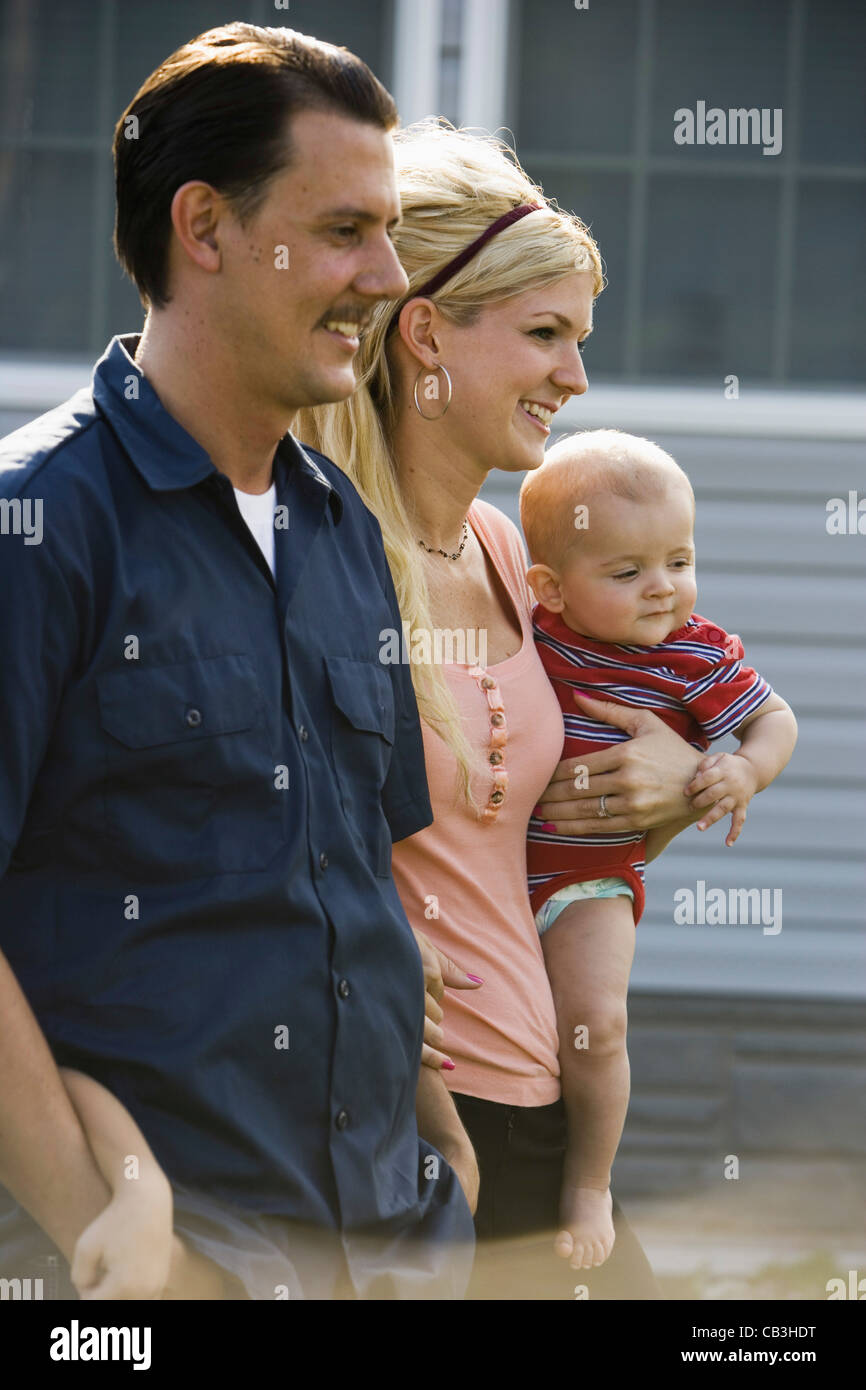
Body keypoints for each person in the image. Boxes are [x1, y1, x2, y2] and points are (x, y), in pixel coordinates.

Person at [0, 23, 478, 1301]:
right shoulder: (38, 526)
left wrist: (441, 1164)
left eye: (387, 233)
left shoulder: (340, 531)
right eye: (341, 233)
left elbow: (357, 886)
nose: (386, 277)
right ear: (202, 228)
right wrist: (103, 1239)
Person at [298, 120, 717, 1299]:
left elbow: (559, 816)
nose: (575, 377)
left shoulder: (507, 552)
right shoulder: (322, 561)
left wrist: (672, 788)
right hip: (414, 1127)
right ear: (423, 333)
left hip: (544, 1100)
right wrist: (434, 1127)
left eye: (576, 339)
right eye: (543, 334)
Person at [518, 428, 798, 1268]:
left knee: (596, 1026)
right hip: (487, 874)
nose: (663, 589)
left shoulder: (696, 654)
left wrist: (742, 772)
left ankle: (589, 1182)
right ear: (551, 587)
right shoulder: (524, 628)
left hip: (585, 876)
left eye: (679, 560)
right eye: (628, 570)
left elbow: (774, 721)